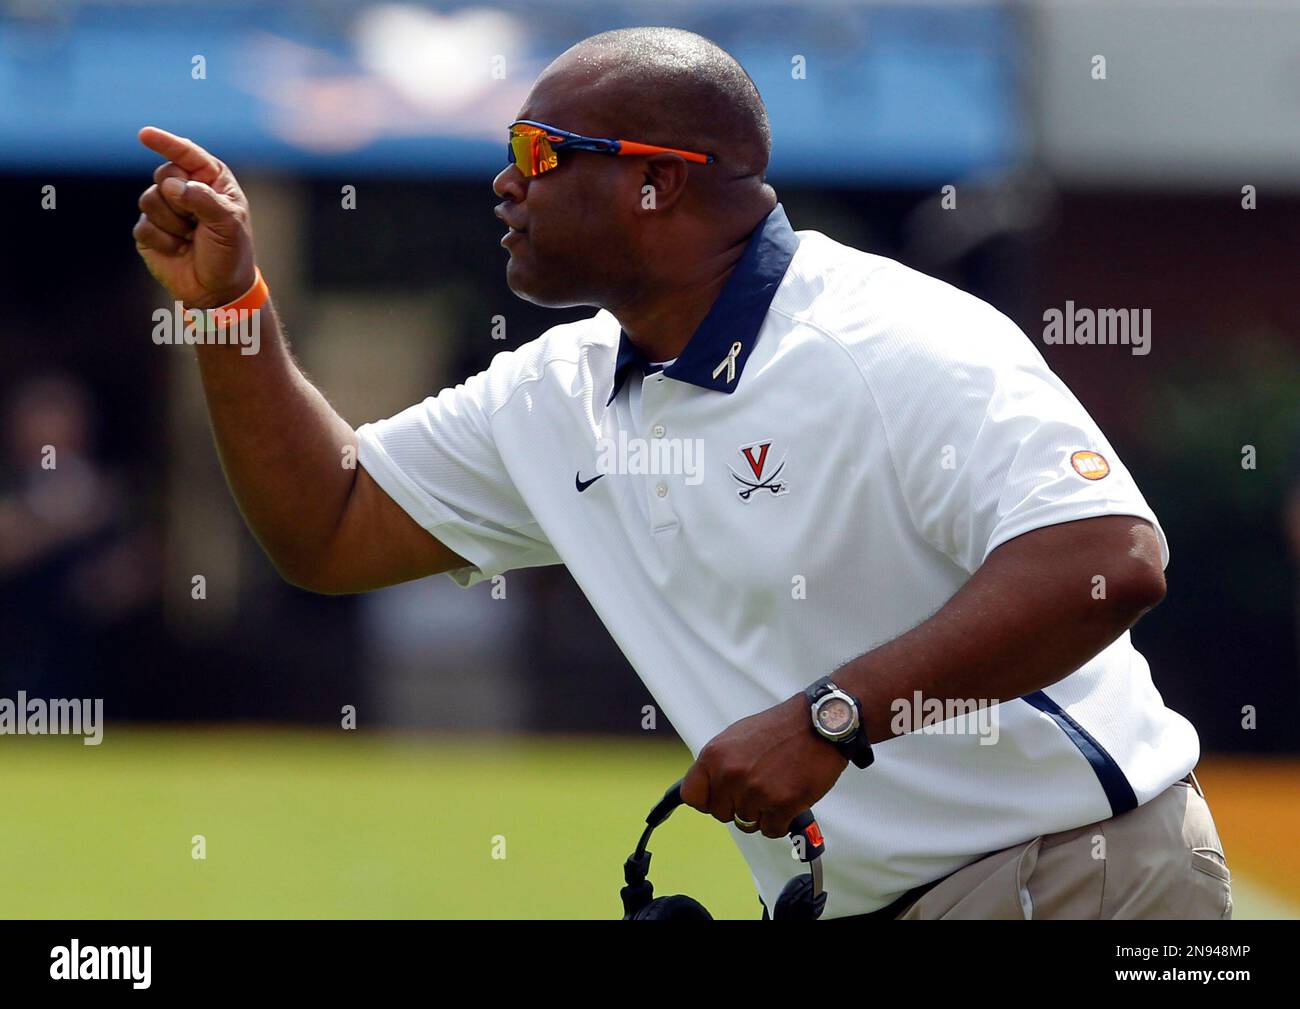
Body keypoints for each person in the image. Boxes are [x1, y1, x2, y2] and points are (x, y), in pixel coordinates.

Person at [131, 27, 1229, 919]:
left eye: (539, 150)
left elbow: (1107, 558)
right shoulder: (554, 391)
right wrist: (231, 311)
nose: (505, 182)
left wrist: (826, 721)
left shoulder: (892, 336)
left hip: (1077, 878)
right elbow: (328, 525)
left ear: (658, 185)